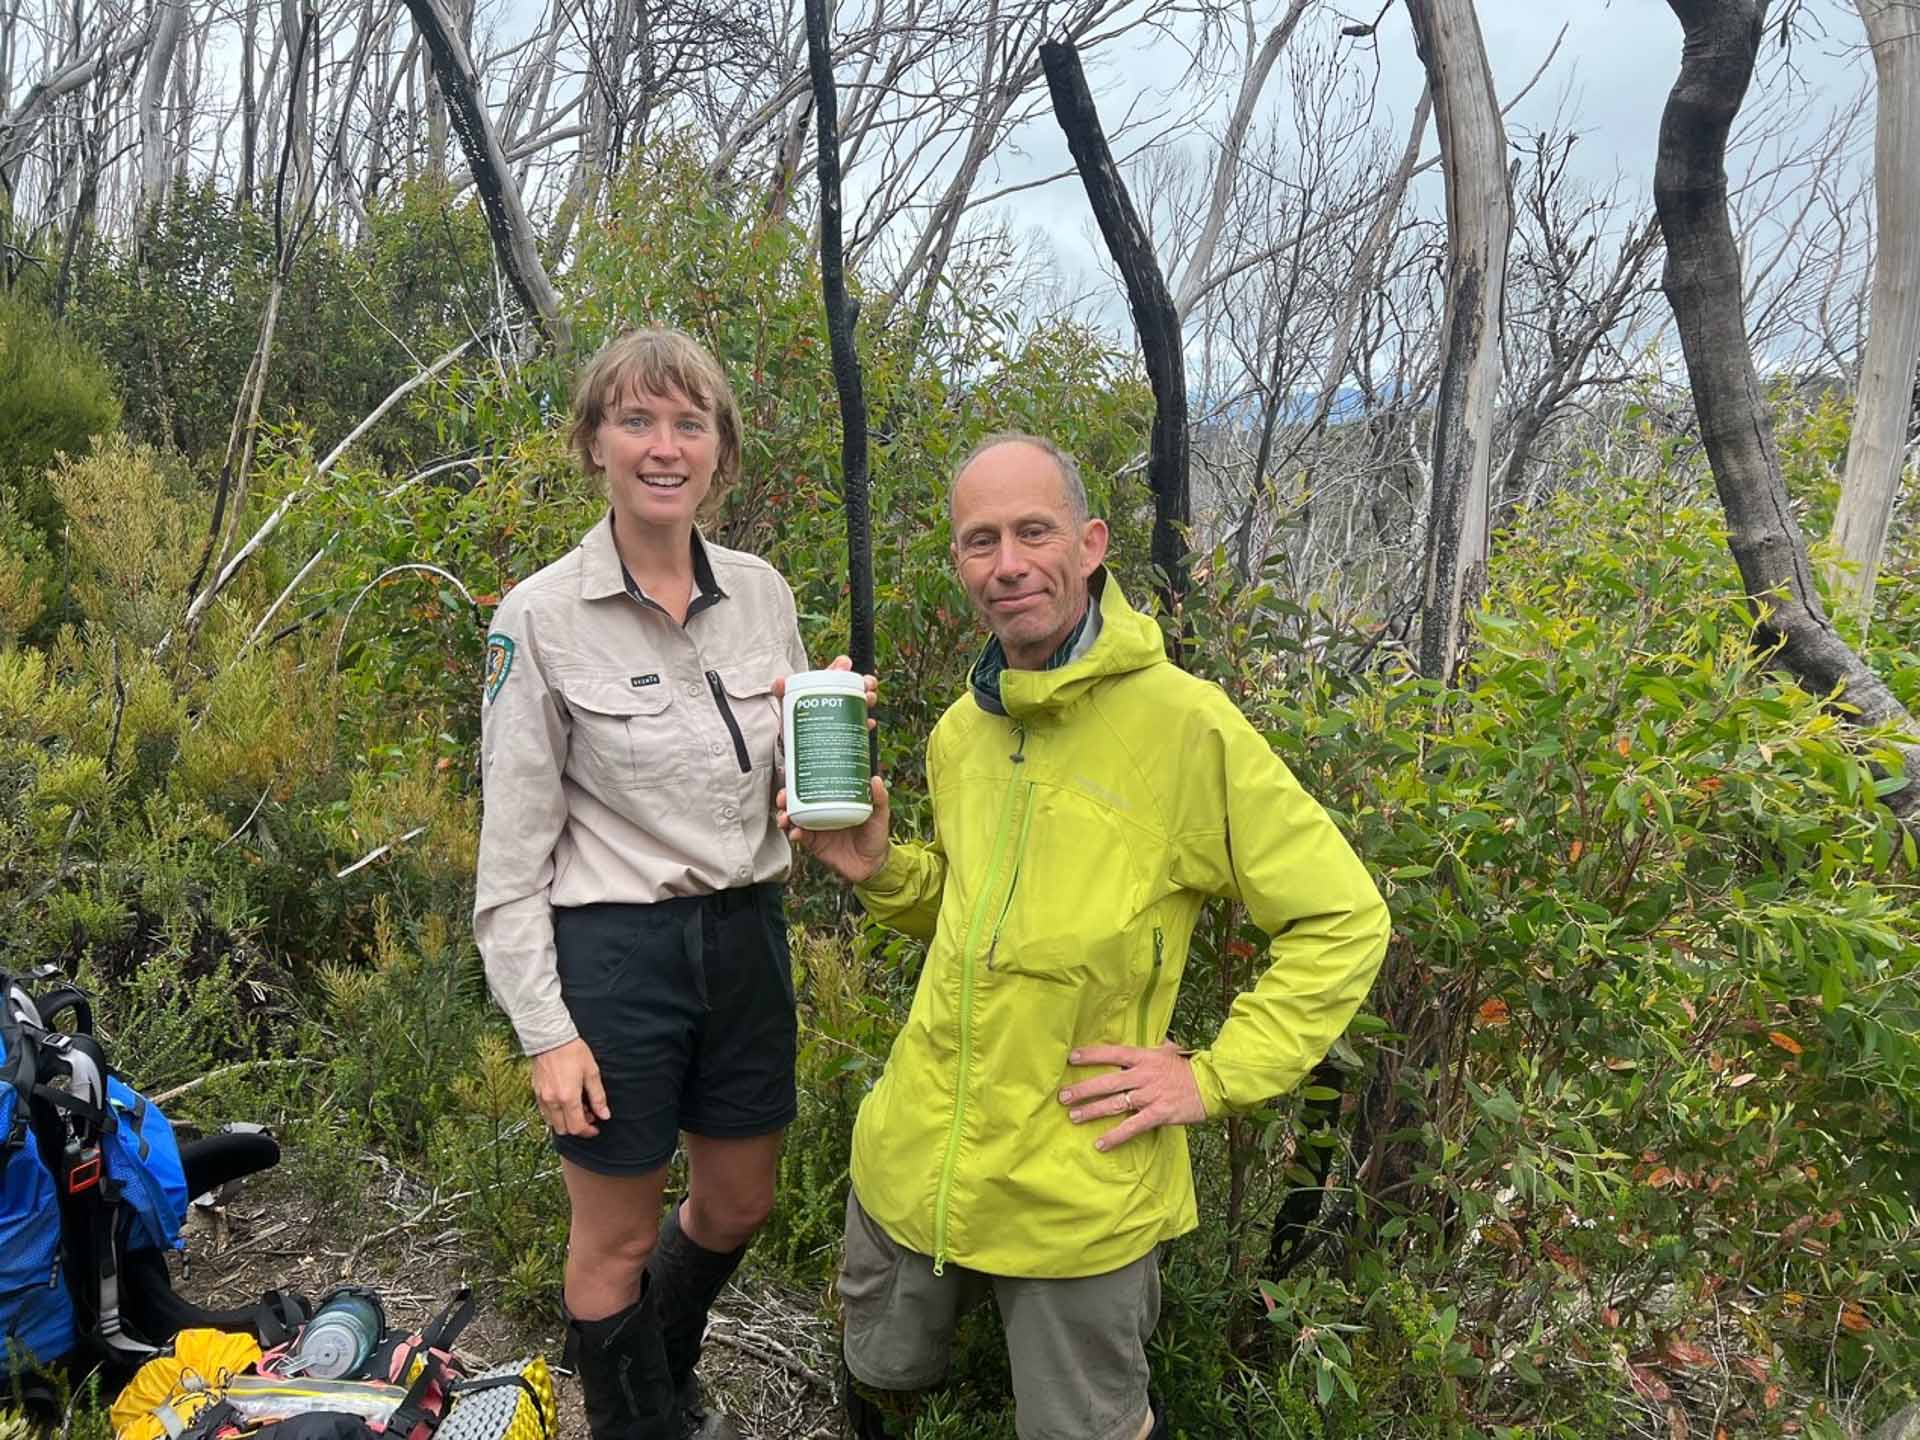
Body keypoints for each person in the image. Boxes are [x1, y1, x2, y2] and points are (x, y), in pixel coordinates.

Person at [781, 434, 1391, 1440]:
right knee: (882, 1376)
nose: (1008, 562)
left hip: (1078, 1184)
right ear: (960, 566)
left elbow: (1342, 916)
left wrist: (1214, 1074)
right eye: (982, 541)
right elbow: (977, 915)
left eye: (1034, 531)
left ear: (1092, 544)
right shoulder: (961, 733)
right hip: (915, 1153)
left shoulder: (1186, 728)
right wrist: (884, 871)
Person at [474, 328, 871, 1440]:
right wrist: (547, 1033)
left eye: (688, 424)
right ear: (594, 440)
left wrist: (832, 752)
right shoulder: (540, 618)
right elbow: (508, 864)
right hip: (616, 953)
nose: (663, 446)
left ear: (719, 454)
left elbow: (785, 778)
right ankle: (638, 1419)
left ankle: (652, 1366)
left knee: (741, 1200)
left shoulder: (760, 596)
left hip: (746, 937)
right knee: (615, 1239)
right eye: (637, 420)